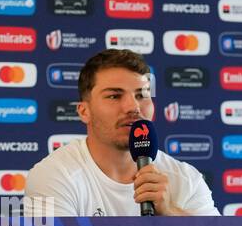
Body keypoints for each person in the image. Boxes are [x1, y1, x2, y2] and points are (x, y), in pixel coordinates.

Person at [22, 49, 220, 217]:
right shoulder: (55, 175)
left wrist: (170, 212)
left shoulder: (185, 178)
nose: (133, 107)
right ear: (84, 111)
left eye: (141, 95)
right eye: (114, 96)